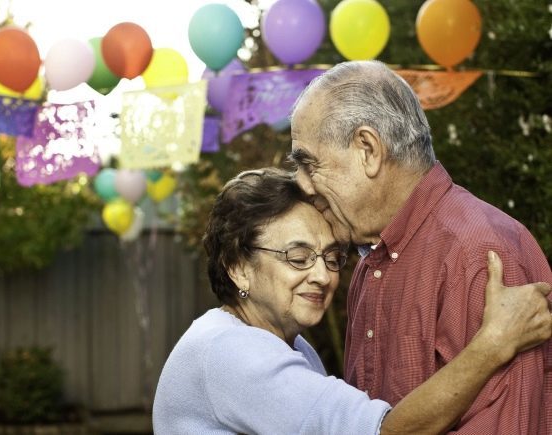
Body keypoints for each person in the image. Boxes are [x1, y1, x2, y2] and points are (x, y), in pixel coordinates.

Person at [152, 168, 552, 435]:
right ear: (238, 267)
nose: (324, 276)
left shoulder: (287, 346)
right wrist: (492, 344)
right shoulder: (232, 351)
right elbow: (386, 431)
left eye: (331, 257)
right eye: (298, 257)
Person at [289, 60, 552, 433]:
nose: (301, 184)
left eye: (309, 164)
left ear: (368, 150)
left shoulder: (479, 254)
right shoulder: (372, 259)